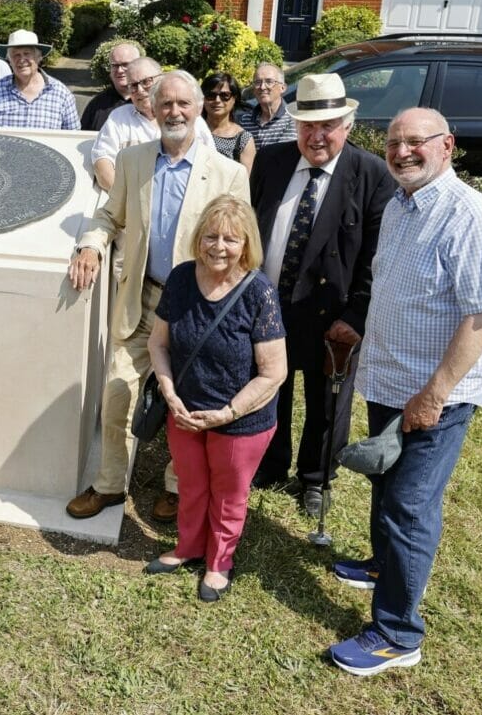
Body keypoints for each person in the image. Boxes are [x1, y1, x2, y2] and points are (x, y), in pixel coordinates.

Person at [328, 107, 482, 676]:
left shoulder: (470, 215)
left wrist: (434, 395)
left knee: (410, 506)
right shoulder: (401, 205)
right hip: (389, 378)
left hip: (436, 395)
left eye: (416, 142)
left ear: (447, 145)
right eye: (394, 143)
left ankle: (398, 634)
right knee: (385, 480)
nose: (403, 151)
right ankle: (383, 564)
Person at [66, 71, 250, 524]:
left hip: (195, 306)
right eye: (165, 104)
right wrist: (90, 243)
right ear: (153, 108)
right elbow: (110, 216)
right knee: (116, 393)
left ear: (198, 108)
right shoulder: (133, 161)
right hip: (141, 301)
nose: (174, 112)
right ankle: (109, 484)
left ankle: (176, 485)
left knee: (187, 402)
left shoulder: (227, 173)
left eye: (183, 104)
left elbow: (242, 245)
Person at [250, 74, 395, 515]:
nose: (316, 136)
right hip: (270, 307)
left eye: (327, 125)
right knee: (269, 388)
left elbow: (377, 259)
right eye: (307, 126)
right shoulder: (271, 161)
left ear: (347, 125)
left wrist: (355, 318)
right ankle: (271, 464)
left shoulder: (370, 174)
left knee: (327, 400)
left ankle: (316, 476)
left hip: (332, 315)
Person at [143, 196, 286, 601]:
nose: (218, 247)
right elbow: (158, 343)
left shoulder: (259, 293)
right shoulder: (181, 279)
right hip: (184, 411)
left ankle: (219, 562)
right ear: (198, 238)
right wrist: (169, 393)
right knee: (191, 484)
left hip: (240, 420)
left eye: (230, 238)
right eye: (210, 236)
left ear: (246, 245)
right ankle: (188, 547)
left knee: (228, 494)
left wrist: (227, 413)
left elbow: (274, 372)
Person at [91, 59, 215, 192]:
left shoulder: (190, 119)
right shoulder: (119, 118)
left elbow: (212, 163)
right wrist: (128, 199)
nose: (140, 90)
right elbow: (102, 162)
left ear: (161, 79)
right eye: (133, 85)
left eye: (146, 82)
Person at [0, 29, 81, 130]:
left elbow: (73, 137)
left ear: (39, 57)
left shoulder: (61, 94)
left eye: (27, 53)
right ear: (9, 60)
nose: (22, 59)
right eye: (16, 55)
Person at [80, 40, 144, 132]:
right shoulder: (97, 105)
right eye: (115, 65)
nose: (120, 70)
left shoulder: (151, 103)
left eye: (125, 64)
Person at [201, 72, 256, 173]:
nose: (217, 100)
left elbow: (245, 184)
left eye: (224, 95)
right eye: (210, 95)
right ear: (203, 99)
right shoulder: (193, 131)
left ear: (234, 99)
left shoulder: (242, 139)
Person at [237, 62, 296, 148]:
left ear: (283, 88)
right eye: (258, 82)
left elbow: (281, 155)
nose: (262, 87)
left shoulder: (292, 119)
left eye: (269, 81)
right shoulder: (245, 120)